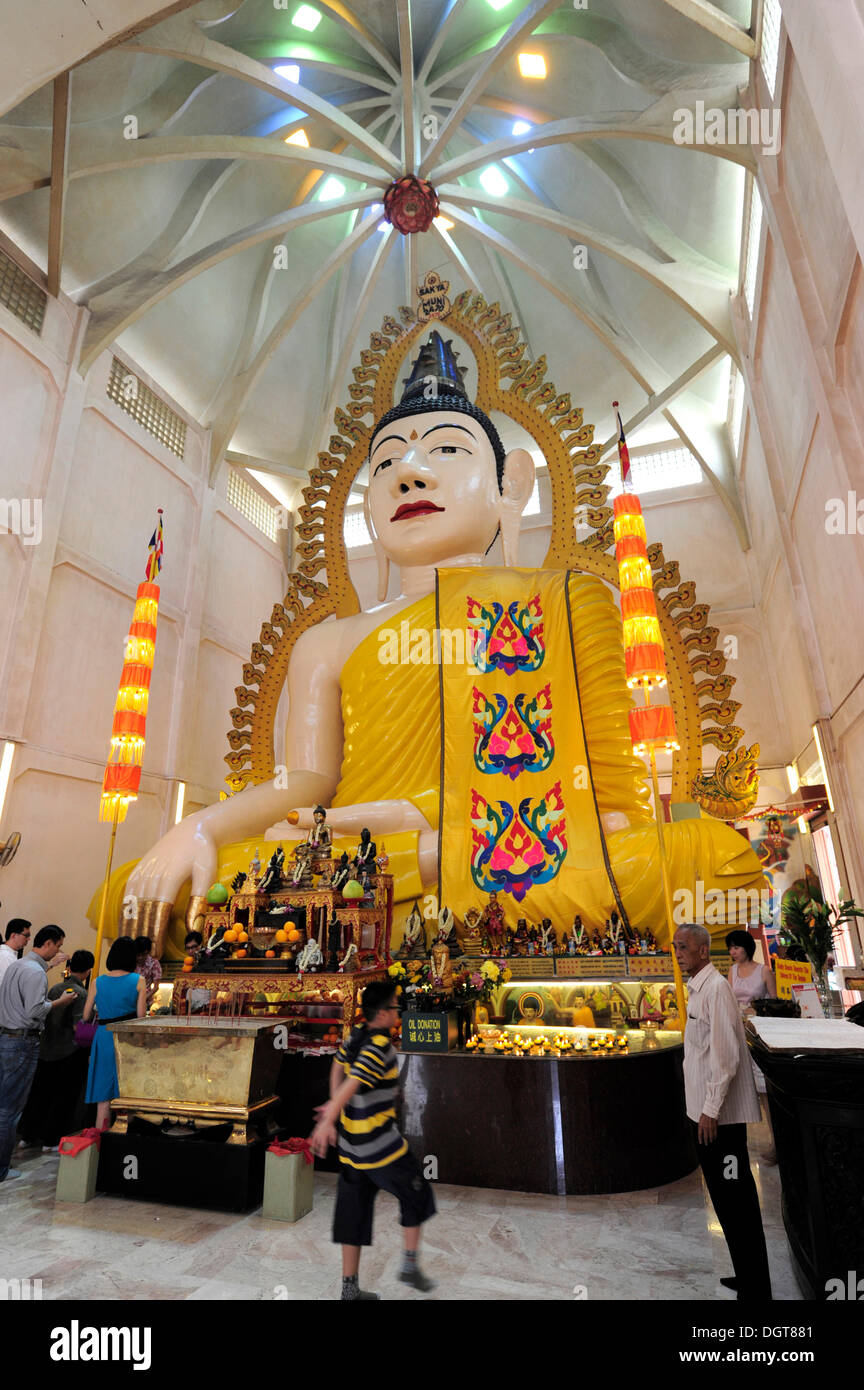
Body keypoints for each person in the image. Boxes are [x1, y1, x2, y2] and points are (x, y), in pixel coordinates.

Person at [117, 330, 763, 953]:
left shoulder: (568, 599)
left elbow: (610, 809)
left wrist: (445, 836)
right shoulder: (327, 642)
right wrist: (196, 827)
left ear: (512, 485)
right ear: (368, 500)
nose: (410, 474)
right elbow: (306, 785)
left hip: (506, 853)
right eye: (387, 462)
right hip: (371, 854)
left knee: (717, 862)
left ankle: (418, 868)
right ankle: (414, 870)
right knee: (143, 892)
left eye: (447, 450)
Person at [309, 980, 436, 1300]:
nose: (398, 1013)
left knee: (352, 1215)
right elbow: (354, 1082)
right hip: (382, 1148)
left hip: (352, 1149)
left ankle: (349, 1290)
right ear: (381, 1013)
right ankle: (409, 1265)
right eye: (395, 1007)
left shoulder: (356, 1035)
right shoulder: (379, 1045)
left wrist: (335, 1115)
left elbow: (337, 1068)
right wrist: (328, 1118)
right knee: (417, 1194)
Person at [673, 923, 772, 1301]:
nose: (678, 953)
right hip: (704, 1113)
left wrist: (710, 1110)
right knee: (725, 1203)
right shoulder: (699, 988)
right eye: (676, 946)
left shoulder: (716, 989)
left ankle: (757, 1289)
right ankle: (745, 1276)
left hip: (719, 1121)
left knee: (738, 1202)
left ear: (702, 951)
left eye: (684, 947)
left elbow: (727, 1058)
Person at [0, 925, 74, 1180]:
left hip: (6, 1037)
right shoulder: (34, 972)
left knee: (4, 1105)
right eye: (59, 944)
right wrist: (60, 1002)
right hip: (22, 1042)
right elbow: (34, 1010)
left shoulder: (17, 966)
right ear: (50, 944)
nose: (59, 950)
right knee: (10, 1109)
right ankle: (1, 1169)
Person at [20, 949, 95, 1151]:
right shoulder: (81, 993)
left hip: (46, 1048)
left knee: (40, 1093)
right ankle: (51, 1139)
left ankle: (27, 1135)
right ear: (88, 971)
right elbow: (77, 1027)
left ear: (69, 968)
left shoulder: (55, 988)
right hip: (68, 1051)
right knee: (63, 1097)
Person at [83, 936, 146, 1131]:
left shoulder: (97, 982)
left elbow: (86, 1016)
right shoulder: (139, 980)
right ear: (132, 958)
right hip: (127, 1039)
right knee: (126, 1094)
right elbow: (141, 1017)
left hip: (103, 1038)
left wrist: (103, 1010)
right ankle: (121, 1143)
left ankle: (101, 1145)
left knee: (103, 1098)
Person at [726, 928, 777, 1163]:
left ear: (747, 947)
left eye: (736, 947)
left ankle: (776, 1141)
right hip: (738, 1032)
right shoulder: (732, 971)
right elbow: (729, 1001)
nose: (732, 952)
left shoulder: (764, 971)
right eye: (730, 948)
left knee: (764, 1088)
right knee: (742, 1087)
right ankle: (738, 1143)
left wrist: (757, 1010)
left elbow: (774, 1005)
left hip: (759, 1033)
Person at [0, 919, 32, 986]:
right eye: (26, 935)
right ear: (13, 936)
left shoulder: (11, 955)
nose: (29, 939)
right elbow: (9, 986)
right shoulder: (5, 956)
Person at [134, 936, 162, 1009]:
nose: (140, 957)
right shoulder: (131, 962)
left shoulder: (154, 963)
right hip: (130, 1001)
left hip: (145, 1002)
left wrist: (143, 999)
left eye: (143, 954)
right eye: (138, 954)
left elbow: (156, 987)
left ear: (148, 952)